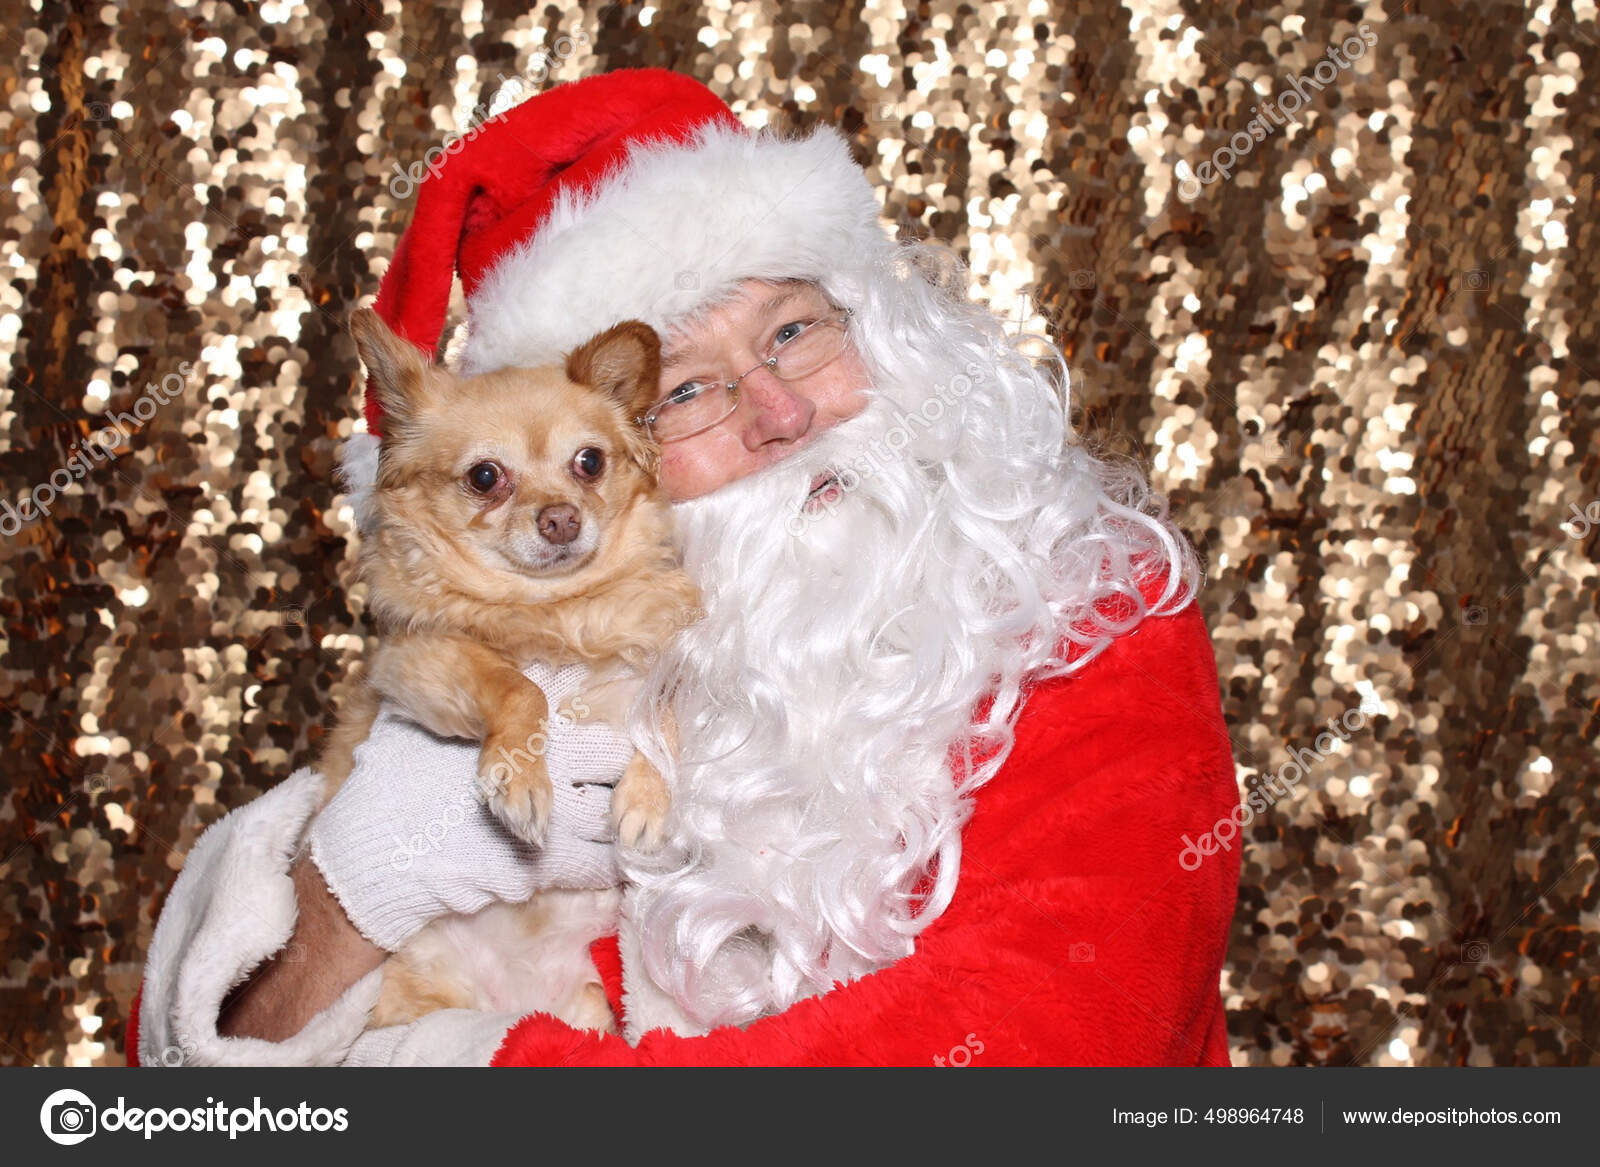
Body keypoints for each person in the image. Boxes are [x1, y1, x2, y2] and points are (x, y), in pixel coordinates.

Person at [131, 68, 1241, 1067]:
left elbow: (1032, 1050)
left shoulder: (1079, 598)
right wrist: (358, 887)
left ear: (884, 325)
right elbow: (196, 1066)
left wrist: (468, 1068)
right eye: (687, 392)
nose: (781, 414)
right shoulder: (597, 664)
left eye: (794, 331)